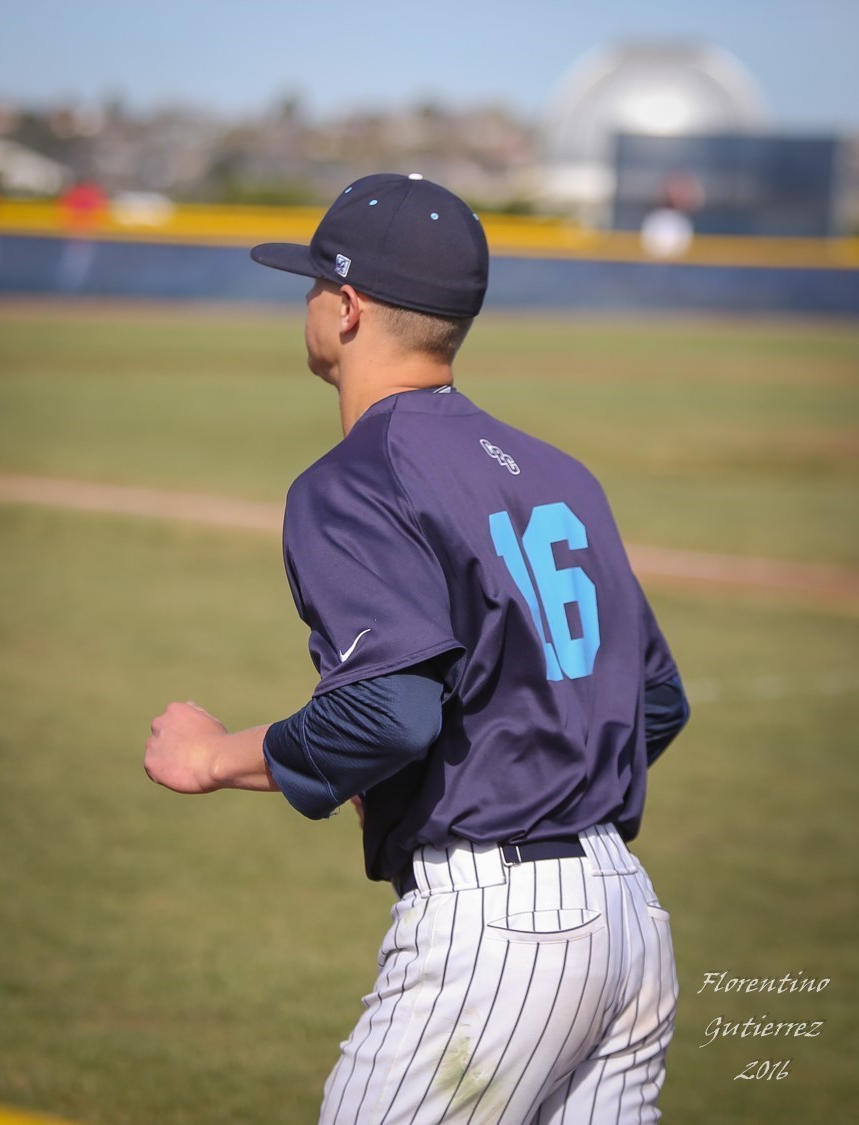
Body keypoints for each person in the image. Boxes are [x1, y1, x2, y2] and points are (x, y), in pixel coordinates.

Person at [145, 172, 690, 1123]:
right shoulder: (561, 475)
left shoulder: (355, 476)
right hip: (627, 920)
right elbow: (651, 702)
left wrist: (212, 756)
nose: (309, 301)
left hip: (498, 932)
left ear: (347, 308)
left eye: (315, 282)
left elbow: (387, 711)